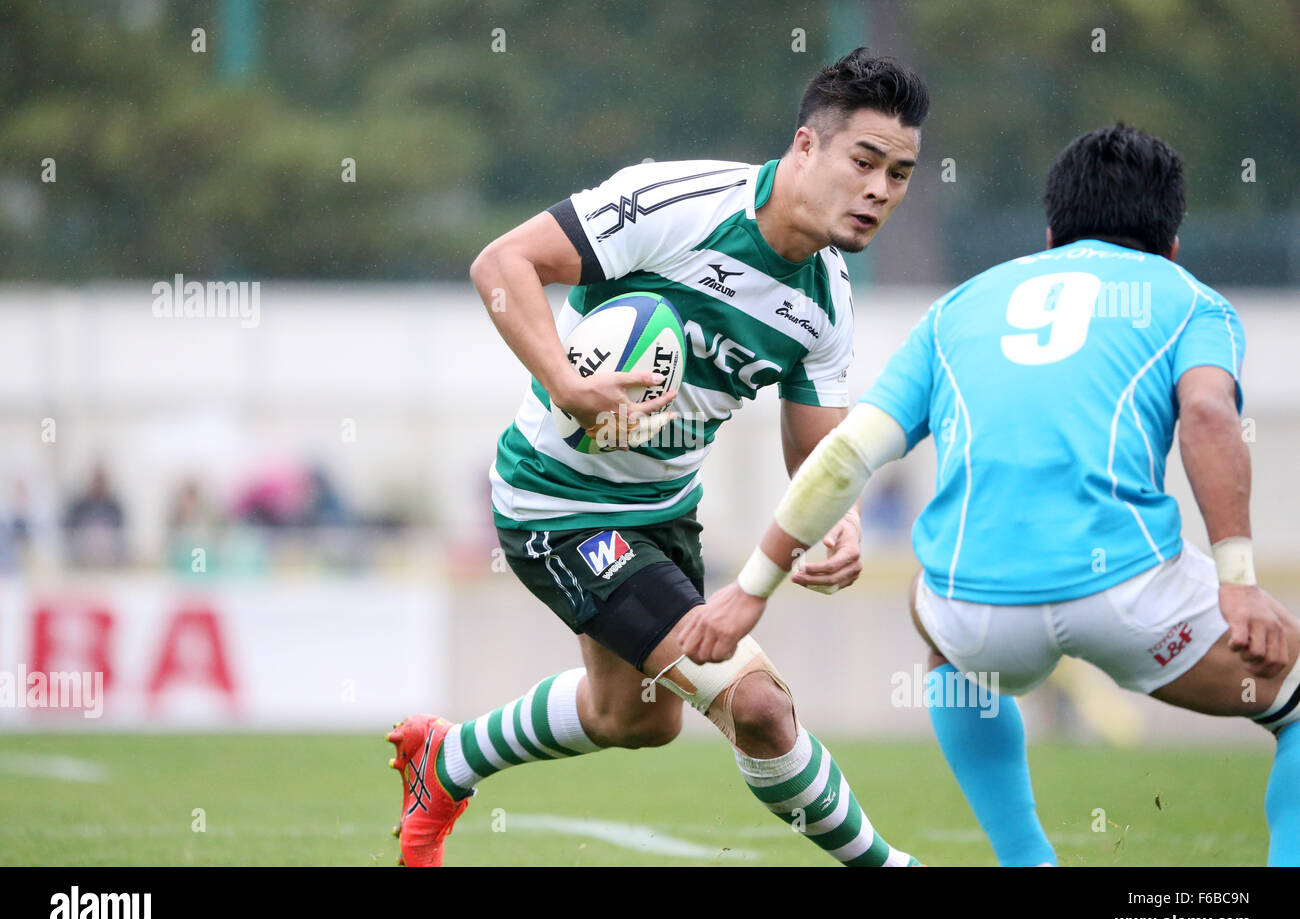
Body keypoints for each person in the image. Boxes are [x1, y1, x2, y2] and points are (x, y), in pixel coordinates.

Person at [683, 123, 1300, 866]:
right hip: (1131, 594)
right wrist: (1239, 584)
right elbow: (1207, 414)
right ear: (1171, 245)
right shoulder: (1190, 299)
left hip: (978, 614)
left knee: (939, 632)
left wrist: (751, 589)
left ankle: (1025, 859)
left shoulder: (960, 307)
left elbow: (847, 452)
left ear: (1051, 234)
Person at [387, 48, 930, 867]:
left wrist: (839, 518)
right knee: (757, 707)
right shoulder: (679, 205)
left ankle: (446, 760)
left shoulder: (827, 302)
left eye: (900, 174)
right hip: (557, 504)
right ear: (806, 146)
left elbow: (816, 444)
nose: (880, 189)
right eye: (865, 161)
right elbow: (501, 264)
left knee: (635, 720)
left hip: (664, 513)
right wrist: (569, 386)